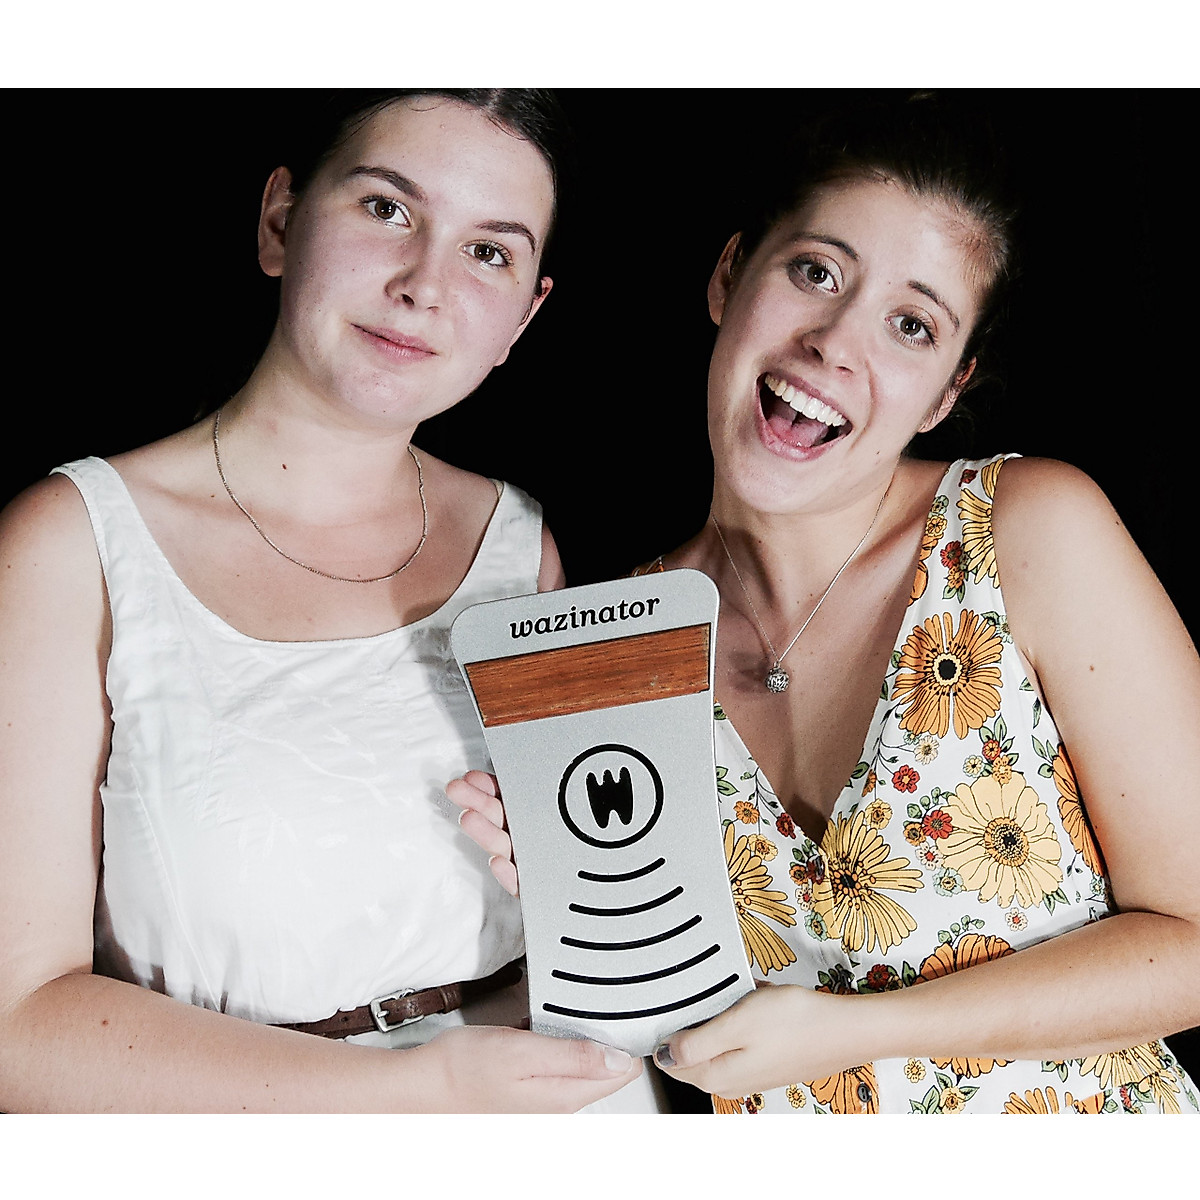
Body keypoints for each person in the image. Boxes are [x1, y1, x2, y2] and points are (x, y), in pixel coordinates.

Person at [452, 95, 1200, 1114]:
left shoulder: (1025, 531)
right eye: (815, 272)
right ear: (730, 274)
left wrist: (862, 1031)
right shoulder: (618, 638)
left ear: (946, 392)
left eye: (911, 325)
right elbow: (653, 1024)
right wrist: (583, 907)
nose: (836, 344)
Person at [0, 89, 649, 1113]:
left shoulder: (522, 546)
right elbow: (18, 1032)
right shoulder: (72, 543)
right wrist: (417, 1092)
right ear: (280, 221)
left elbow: (602, 921)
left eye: (489, 252)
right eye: (388, 208)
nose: (423, 285)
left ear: (524, 317)